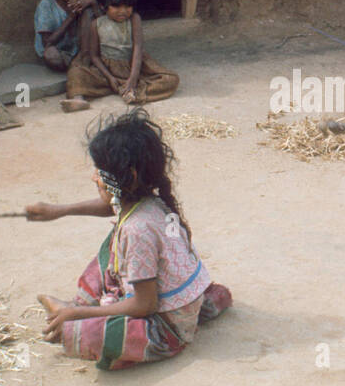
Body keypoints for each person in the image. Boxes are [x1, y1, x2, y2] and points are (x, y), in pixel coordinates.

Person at [25, 110, 232, 370]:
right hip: (172, 300)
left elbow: (144, 305)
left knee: (90, 335)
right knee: (110, 247)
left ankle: (73, 313)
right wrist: (60, 210)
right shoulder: (146, 200)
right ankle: (77, 309)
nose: (94, 177)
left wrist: (80, 315)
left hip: (165, 327)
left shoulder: (137, 230)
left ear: (129, 178)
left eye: (100, 172)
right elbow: (110, 206)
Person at [61, 0, 179, 113]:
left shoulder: (134, 19)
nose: (123, 11)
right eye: (116, 6)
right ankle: (79, 99)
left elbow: (138, 48)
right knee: (76, 73)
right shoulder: (96, 24)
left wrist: (133, 78)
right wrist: (110, 77)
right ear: (103, 6)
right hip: (105, 72)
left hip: (132, 67)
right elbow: (94, 56)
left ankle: (134, 94)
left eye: (128, 6)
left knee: (171, 80)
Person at [34, 0, 98, 74]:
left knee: (88, 11)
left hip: (81, 51)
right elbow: (47, 43)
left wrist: (93, 2)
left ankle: (83, 61)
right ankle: (77, 67)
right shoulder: (46, 5)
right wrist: (71, 16)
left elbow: (104, 26)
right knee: (51, 55)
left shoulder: (82, 1)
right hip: (59, 52)